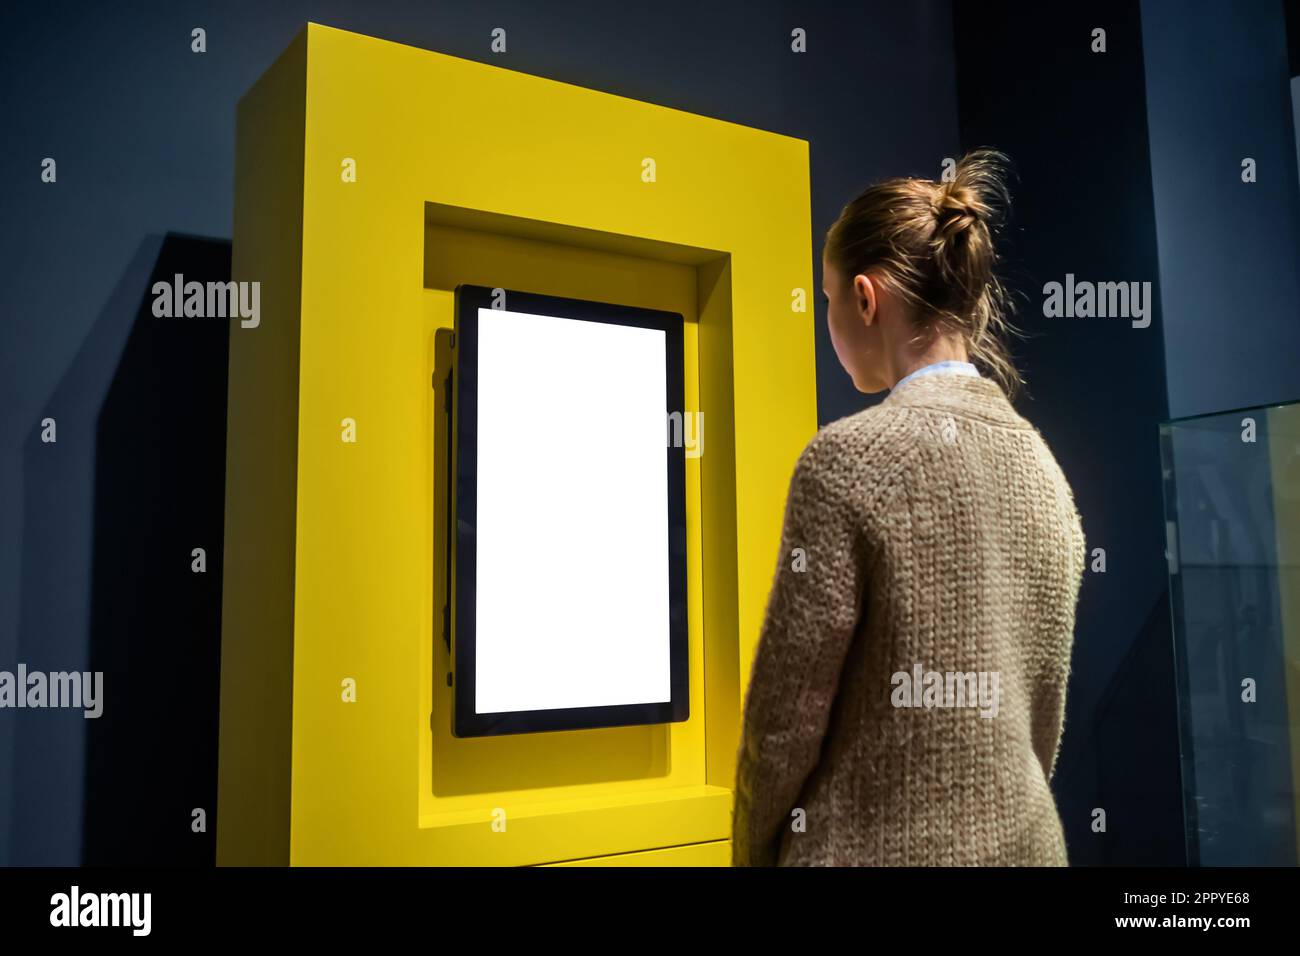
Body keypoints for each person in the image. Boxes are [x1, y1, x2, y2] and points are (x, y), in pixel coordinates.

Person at [731, 149, 1087, 866]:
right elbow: (1039, 724)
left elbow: (784, 724)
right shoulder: (1049, 474)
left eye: (827, 300)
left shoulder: (845, 462)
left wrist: (750, 852)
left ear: (865, 299)